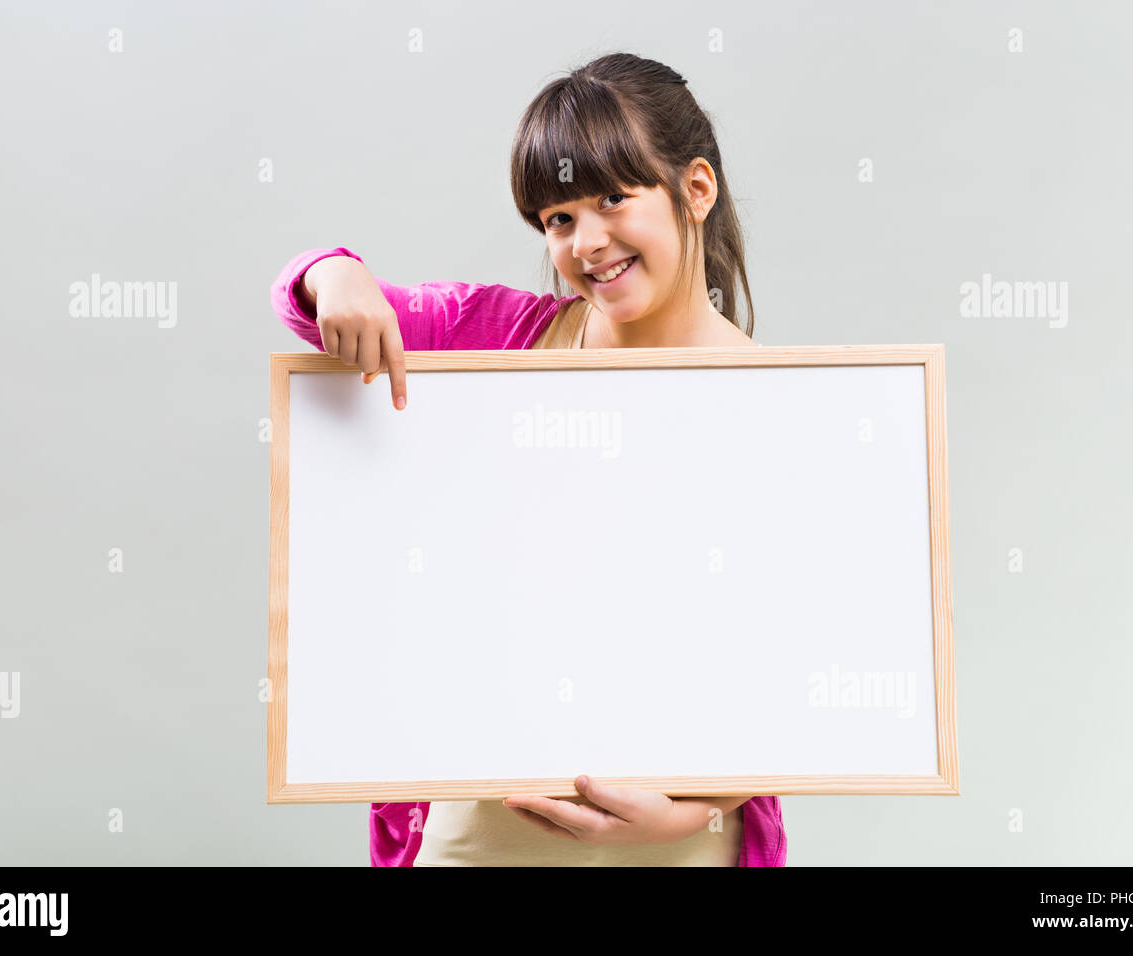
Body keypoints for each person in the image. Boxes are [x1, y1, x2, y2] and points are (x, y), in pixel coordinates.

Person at [269, 52, 786, 866]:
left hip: (684, 841)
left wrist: (687, 815)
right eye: (558, 218)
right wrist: (334, 275)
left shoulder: (787, 405)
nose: (588, 242)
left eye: (613, 198)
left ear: (695, 189)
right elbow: (311, 302)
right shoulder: (501, 339)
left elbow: (799, 663)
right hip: (484, 828)